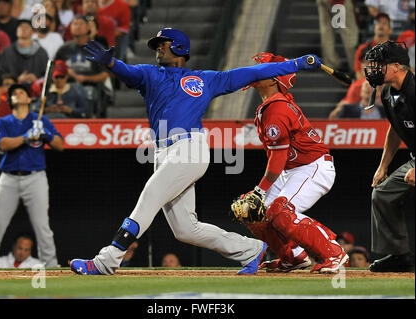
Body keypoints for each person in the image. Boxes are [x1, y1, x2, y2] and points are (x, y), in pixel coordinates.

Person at [68, 27, 322, 276]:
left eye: (162, 44)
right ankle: (250, 250)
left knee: (149, 198)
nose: (158, 48)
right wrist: (111, 64)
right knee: (186, 229)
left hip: (189, 148)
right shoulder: (149, 74)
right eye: (156, 45)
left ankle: (107, 260)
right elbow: (126, 72)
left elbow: (253, 72)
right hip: (163, 152)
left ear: (179, 48)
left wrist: (296, 63)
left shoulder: (205, 79)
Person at [232, 52, 348, 274]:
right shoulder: (273, 103)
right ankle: (292, 257)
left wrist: (260, 190)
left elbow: (278, 158)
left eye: (266, 70)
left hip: (313, 166)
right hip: (292, 170)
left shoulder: (277, 108)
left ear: (274, 80)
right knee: (250, 211)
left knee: (281, 211)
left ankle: (334, 252)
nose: (259, 71)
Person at [0, 83, 64, 268]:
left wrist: (45, 134)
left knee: (42, 227)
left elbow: (60, 145)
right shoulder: (3, 122)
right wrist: (27, 137)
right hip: (9, 178)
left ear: (29, 99)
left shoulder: (40, 120)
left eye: (21, 92)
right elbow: (2, 145)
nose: (17, 95)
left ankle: (52, 266)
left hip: (35, 177)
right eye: (13, 94)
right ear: (9, 101)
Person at [364, 40, 415, 272]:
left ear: (396, 66)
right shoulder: (388, 93)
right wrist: (383, 166)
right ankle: (400, 255)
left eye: (379, 64)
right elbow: (395, 128)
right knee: (382, 194)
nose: (373, 69)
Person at [54, 14, 111, 117]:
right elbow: (55, 71)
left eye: (81, 24)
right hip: (67, 87)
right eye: (75, 24)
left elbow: (105, 75)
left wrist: (84, 78)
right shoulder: (63, 49)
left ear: (88, 27)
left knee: (88, 93)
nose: (77, 26)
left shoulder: (98, 49)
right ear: (70, 28)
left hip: (90, 86)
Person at [0, 19, 49, 85]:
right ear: (16, 31)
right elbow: (2, 73)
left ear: (33, 32)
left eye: (27, 27)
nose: (23, 29)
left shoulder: (41, 53)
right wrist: (17, 80)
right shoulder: (7, 52)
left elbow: (47, 75)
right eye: (21, 27)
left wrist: (37, 80)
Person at [316, 0, 359, 73]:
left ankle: (330, 63)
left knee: (326, 31)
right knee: (348, 31)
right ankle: (355, 66)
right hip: (339, 2)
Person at [354, 13, 393, 80]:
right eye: (378, 23)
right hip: (367, 85)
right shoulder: (362, 49)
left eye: (384, 23)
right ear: (374, 27)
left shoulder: (396, 49)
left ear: (390, 30)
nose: (381, 25)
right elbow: (358, 73)